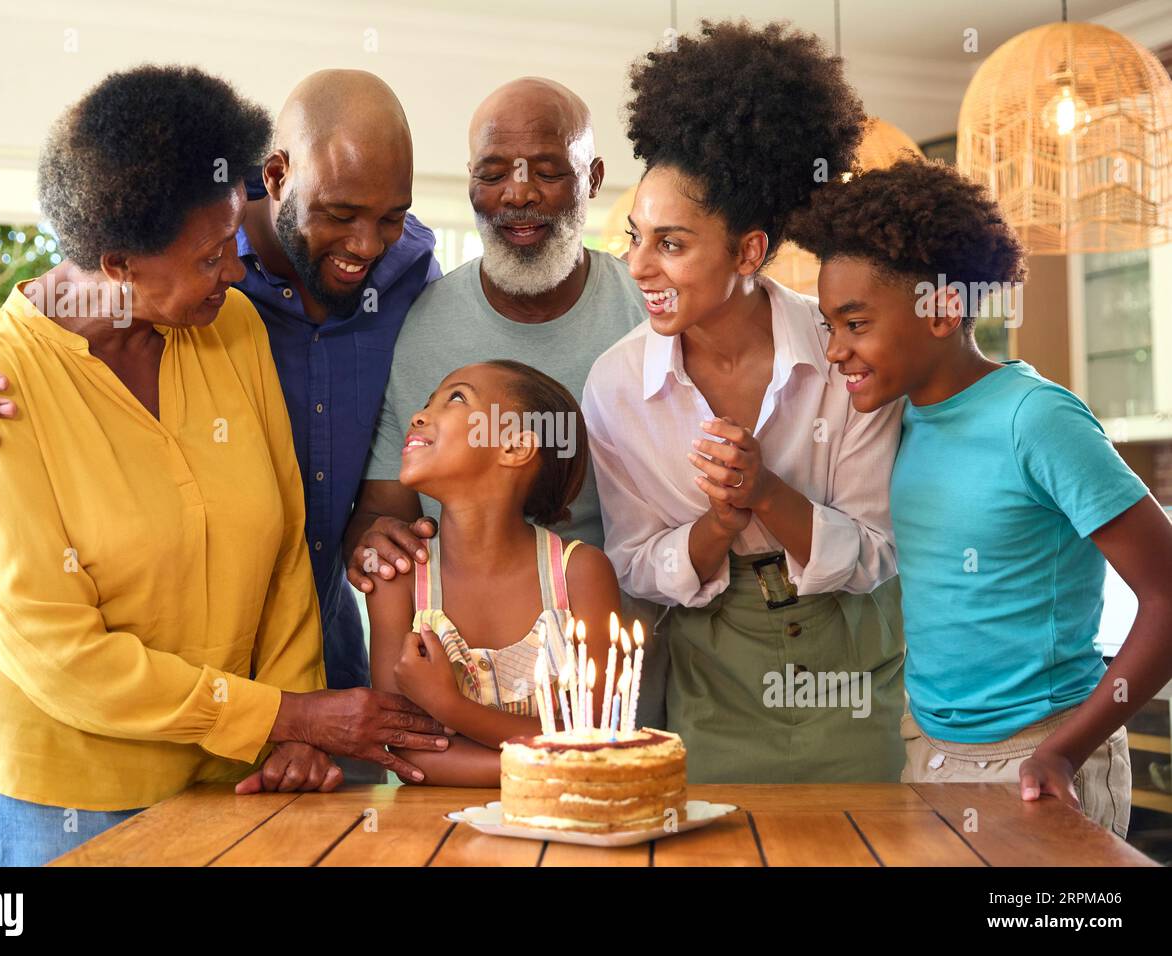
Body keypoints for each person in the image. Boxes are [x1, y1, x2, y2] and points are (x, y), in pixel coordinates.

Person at [0, 66, 447, 866]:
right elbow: (60, 655)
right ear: (118, 263)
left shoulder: (227, 326)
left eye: (233, 241)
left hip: (218, 764)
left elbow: (285, 544)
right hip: (46, 775)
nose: (235, 271)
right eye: (209, 257)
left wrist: (289, 723)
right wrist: (284, 718)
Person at [787, 156, 1172, 835]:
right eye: (829, 327)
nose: (835, 352)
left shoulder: (1037, 419)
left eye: (855, 323)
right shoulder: (891, 420)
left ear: (943, 310)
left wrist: (1064, 751)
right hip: (928, 749)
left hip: (1041, 756)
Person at [581, 20, 905, 784]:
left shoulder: (840, 357)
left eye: (672, 243)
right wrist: (719, 524)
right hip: (710, 662)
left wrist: (764, 492)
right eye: (634, 237)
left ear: (749, 252)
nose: (638, 266)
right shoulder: (617, 386)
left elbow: (877, 553)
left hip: (850, 655)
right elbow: (635, 563)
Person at [344, 76, 667, 723]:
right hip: (460, 644)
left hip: (614, 658)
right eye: (493, 173)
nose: (517, 193)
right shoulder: (422, 323)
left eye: (547, 171)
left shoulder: (648, 312)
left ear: (594, 178)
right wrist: (374, 545)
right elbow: (386, 508)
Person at [366, 361, 620, 785]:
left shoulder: (581, 574)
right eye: (428, 400)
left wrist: (450, 707)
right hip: (436, 841)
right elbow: (408, 753)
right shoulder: (398, 578)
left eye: (457, 398)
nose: (419, 415)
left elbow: (593, 739)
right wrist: (552, 763)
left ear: (515, 448)